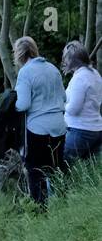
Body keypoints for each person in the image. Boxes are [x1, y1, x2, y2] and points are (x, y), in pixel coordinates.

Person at [13, 36, 67, 205]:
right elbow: (64, 97)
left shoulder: (25, 72)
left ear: (19, 54)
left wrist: (10, 105)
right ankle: (64, 204)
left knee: (35, 172)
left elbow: (23, 104)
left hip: (38, 130)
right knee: (56, 168)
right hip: (59, 127)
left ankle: (40, 210)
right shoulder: (52, 68)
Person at [61, 40, 102, 163]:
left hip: (80, 130)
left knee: (62, 166)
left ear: (71, 60)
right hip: (96, 130)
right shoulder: (95, 74)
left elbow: (74, 109)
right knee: (87, 172)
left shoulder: (80, 78)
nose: (65, 62)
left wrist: (61, 105)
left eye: (66, 59)